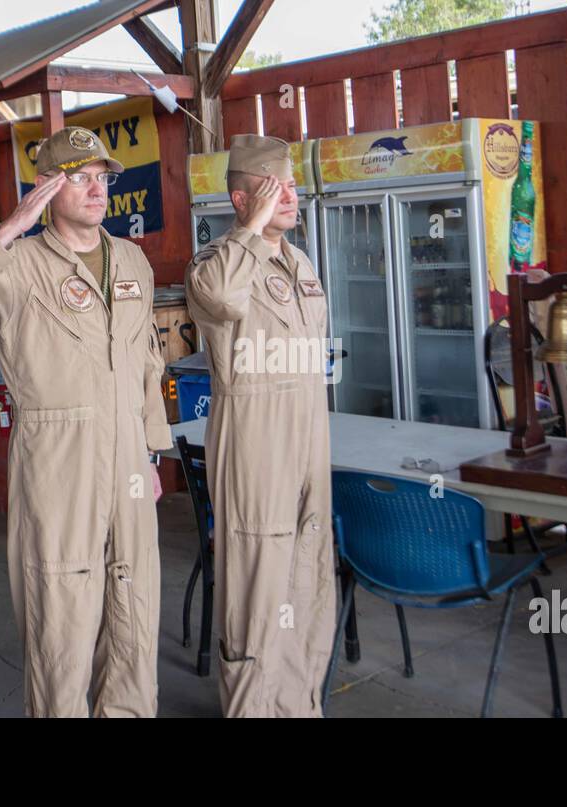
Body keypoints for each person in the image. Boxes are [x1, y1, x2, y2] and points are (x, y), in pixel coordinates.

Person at [0, 126, 171, 717]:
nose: (96, 189)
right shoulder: (17, 265)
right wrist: (8, 228)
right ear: (46, 189)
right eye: (78, 178)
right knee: (62, 618)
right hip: (58, 462)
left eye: (102, 178)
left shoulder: (131, 258)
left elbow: (146, 359)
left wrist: (152, 451)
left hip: (129, 459)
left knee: (135, 611)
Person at [185, 134, 335, 717]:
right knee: (257, 583)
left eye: (292, 187)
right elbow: (219, 298)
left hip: (308, 436)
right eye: (275, 189)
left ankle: (299, 705)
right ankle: (250, 709)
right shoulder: (216, 261)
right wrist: (251, 232)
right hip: (255, 442)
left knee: (308, 576)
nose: (290, 198)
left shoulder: (298, 262)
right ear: (242, 199)